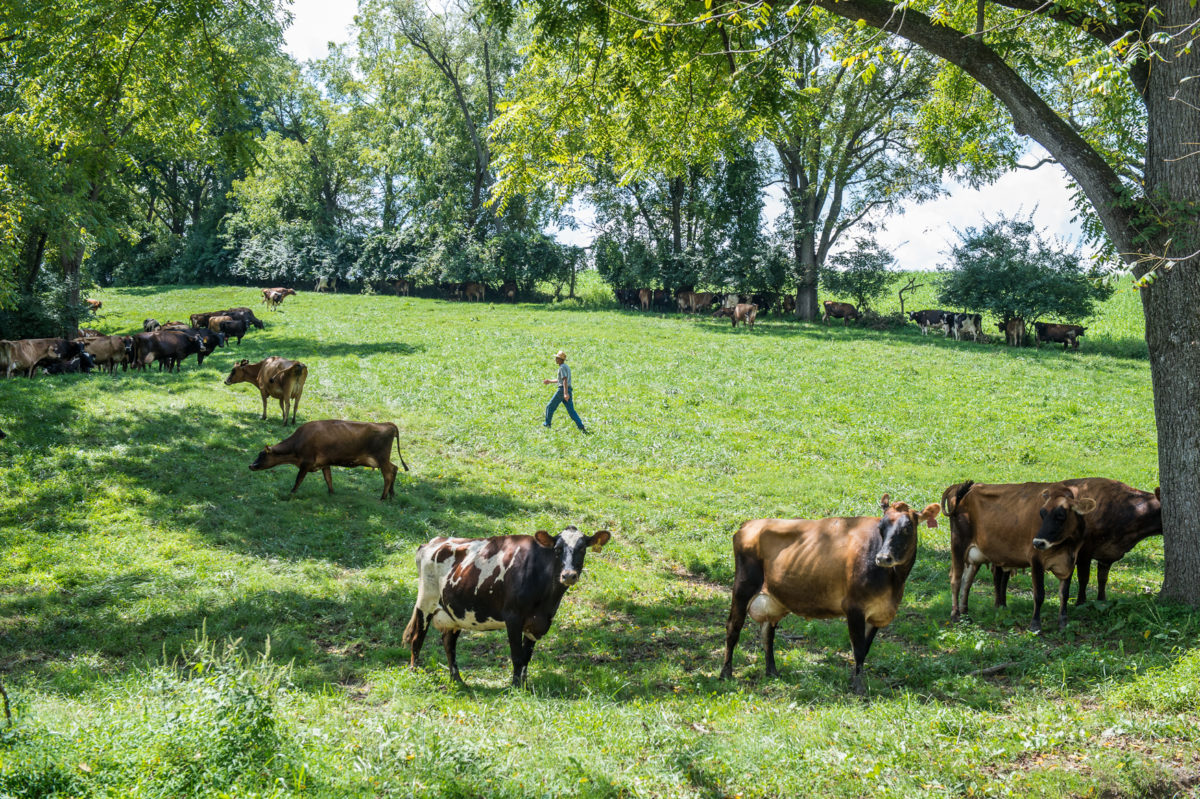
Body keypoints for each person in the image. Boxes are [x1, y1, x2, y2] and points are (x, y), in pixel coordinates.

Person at [543, 350, 588, 433]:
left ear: (561, 359)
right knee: (571, 411)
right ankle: (581, 427)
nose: (556, 359)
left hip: (562, 390)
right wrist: (550, 381)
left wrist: (565, 393)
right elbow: (560, 380)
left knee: (550, 407)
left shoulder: (562, 367)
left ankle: (547, 424)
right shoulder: (566, 367)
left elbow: (564, 380)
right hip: (567, 389)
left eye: (557, 358)